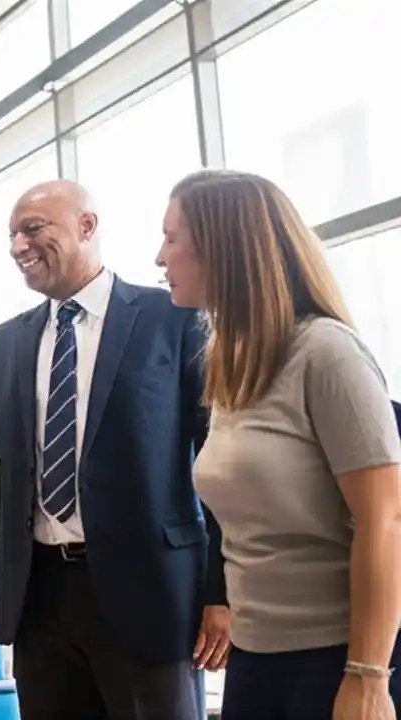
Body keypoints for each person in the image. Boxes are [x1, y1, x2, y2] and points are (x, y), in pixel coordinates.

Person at [0, 179, 229, 719]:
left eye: (33, 228)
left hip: (152, 598)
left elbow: (218, 459)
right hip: (40, 600)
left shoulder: (174, 319)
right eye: (12, 235)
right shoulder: (6, 343)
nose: (19, 245)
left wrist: (221, 590)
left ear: (86, 226)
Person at [157, 169, 401, 719]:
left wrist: (367, 676)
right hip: (256, 656)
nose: (160, 257)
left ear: (224, 246)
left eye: (171, 238)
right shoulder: (229, 364)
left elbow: (385, 519)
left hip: (338, 660)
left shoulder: (326, 353)